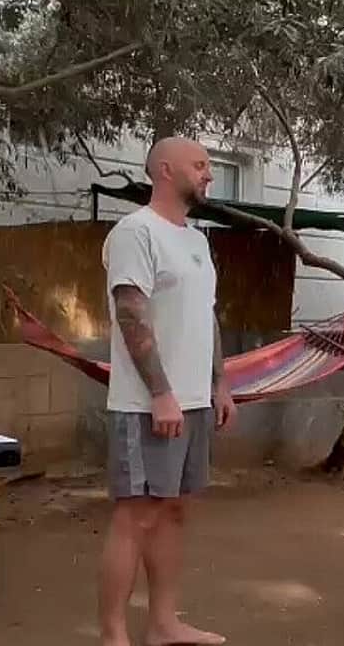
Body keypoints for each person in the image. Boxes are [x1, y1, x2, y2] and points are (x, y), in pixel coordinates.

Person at [98, 136, 238, 646]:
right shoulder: (135, 232)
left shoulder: (198, 241)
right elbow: (131, 314)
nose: (208, 174)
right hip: (147, 404)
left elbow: (207, 316)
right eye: (200, 165)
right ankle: (114, 633)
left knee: (176, 510)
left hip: (196, 401)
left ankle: (163, 624)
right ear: (164, 170)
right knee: (136, 515)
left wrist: (220, 382)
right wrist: (161, 392)